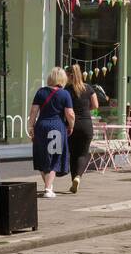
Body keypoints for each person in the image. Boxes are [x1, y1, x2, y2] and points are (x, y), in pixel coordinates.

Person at [28, 67, 75, 198]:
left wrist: (30, 127)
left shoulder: (41, 92)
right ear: (63, 79)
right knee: (54, 158)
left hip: (41, 127)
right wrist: (71, 126)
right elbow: (70, 114)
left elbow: (33, 112)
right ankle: (48, 188)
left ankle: (49, 185)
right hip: (57, 127)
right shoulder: (65, 94)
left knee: (42, 156)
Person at [65, 64, 100, 194]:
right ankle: (78, 177)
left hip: (71, 124)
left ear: (69, 75)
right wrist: (85, 109)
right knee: (83, 153)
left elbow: (64, 108)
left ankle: (73, 179)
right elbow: (95, 105)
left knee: (73, 154)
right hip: (86, 124)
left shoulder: (66, 90)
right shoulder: (88, 88)